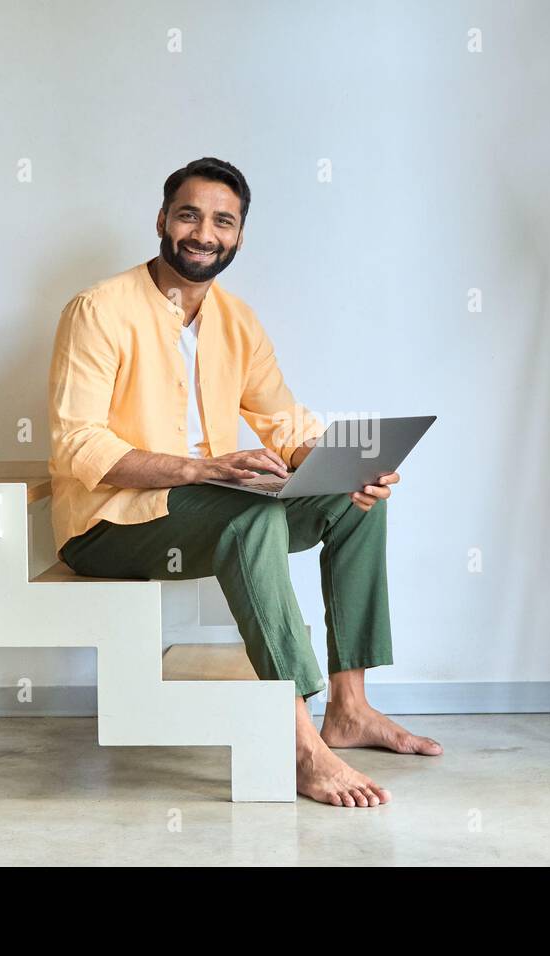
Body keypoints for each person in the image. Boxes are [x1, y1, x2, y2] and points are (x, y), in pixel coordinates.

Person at [48, 157, 440, 808]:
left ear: (238, 236)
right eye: (189, 215)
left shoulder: (237, 320)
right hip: (109, 525)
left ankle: (350, 708)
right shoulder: (98, 309)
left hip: (207, 508)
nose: (205, 232)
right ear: (162, 221)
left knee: (357, 506)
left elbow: (284, 423)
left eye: (222, 221)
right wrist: (201, 469)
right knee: (252, 517)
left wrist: (343, 466)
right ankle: (299, 745)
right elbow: (75, 445)